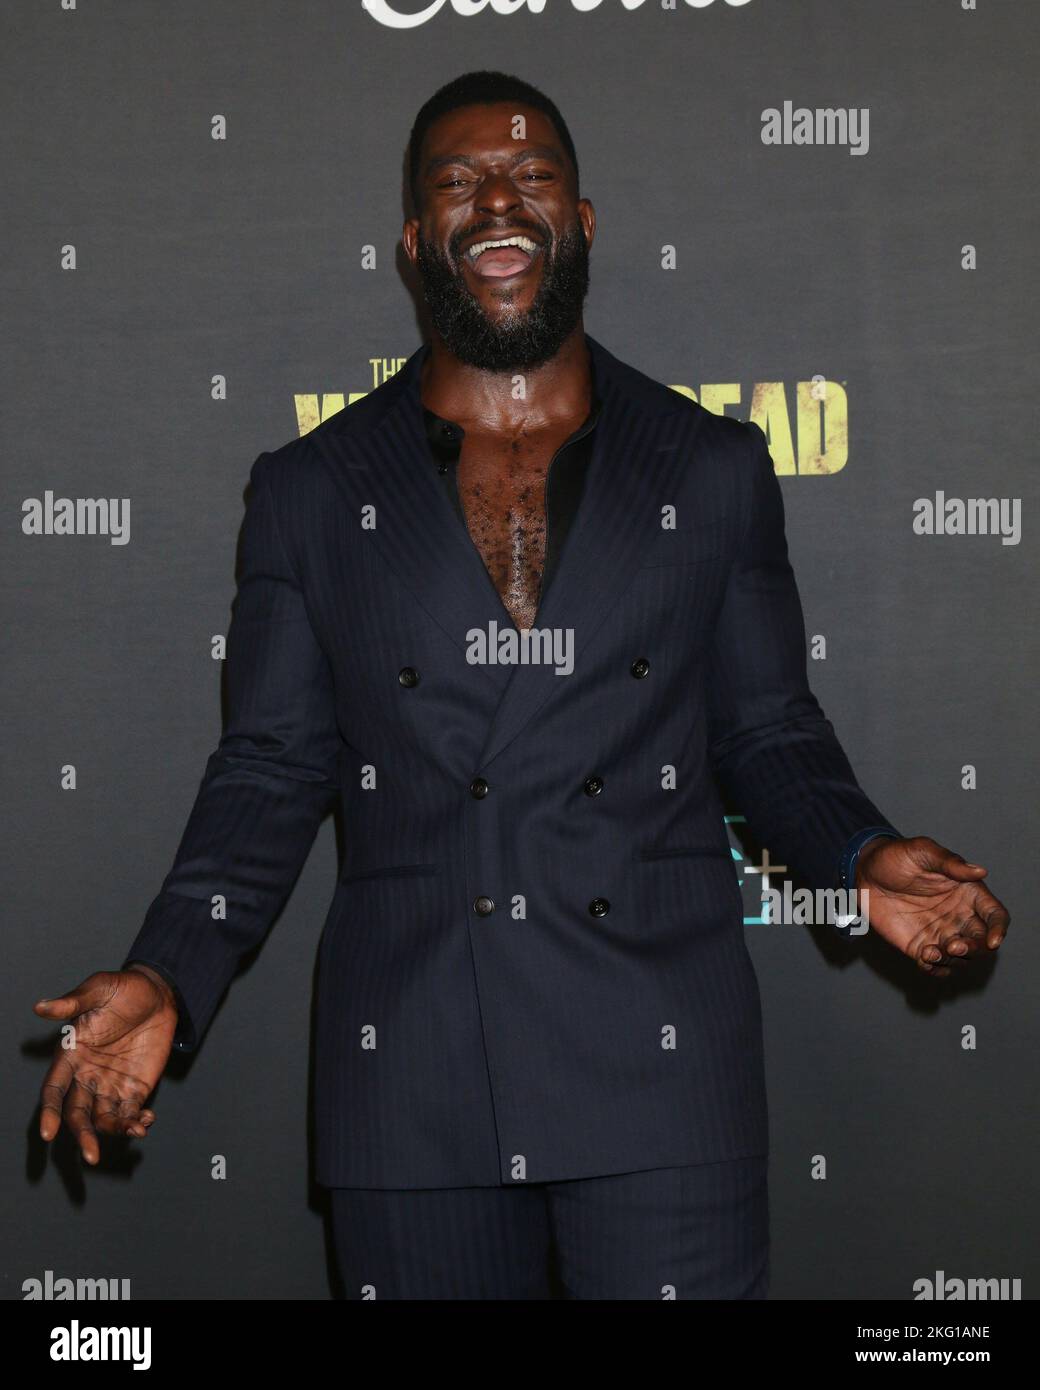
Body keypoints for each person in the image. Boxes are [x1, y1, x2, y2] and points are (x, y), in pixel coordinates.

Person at [33, 70, 1010, 1300]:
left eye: (530, 174)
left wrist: (855, 855)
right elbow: (271, 769)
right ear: (410, 242)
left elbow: (766, 733)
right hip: (413, 1073)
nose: (496, 198)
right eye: (457, 181)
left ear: (583, 220)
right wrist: (172, 966)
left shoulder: (710, 466)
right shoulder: (311, 489)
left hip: (661, 1066)